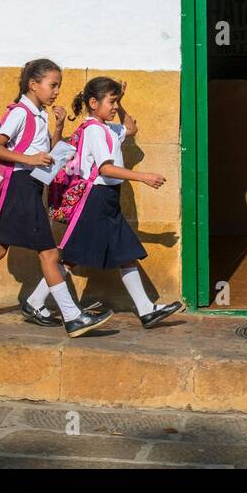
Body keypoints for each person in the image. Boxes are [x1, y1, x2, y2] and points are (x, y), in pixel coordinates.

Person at [0, 59, 109, 336]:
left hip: (27, 187)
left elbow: (48, 154)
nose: (56, 91)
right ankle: (72, 317)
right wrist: (28, 158)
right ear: (33, 84)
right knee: (50, 253)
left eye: (58, 86)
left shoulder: (39, 114)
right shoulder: (20, 113)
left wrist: (58, 127)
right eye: (52, 85)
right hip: (20, 187)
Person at [59, 76, 185, 329]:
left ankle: (146, 309)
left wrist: (122, 103)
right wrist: (144, 177)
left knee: (125, 251)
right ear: (93, 103)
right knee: (72, 256)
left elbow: (131, 128)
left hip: (107, 201)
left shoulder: (107, 128)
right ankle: (36, 301)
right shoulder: (95, 130)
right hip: (96, 200)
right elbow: (106, 169)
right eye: (111, 101)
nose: (115, 107)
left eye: (117, 101)